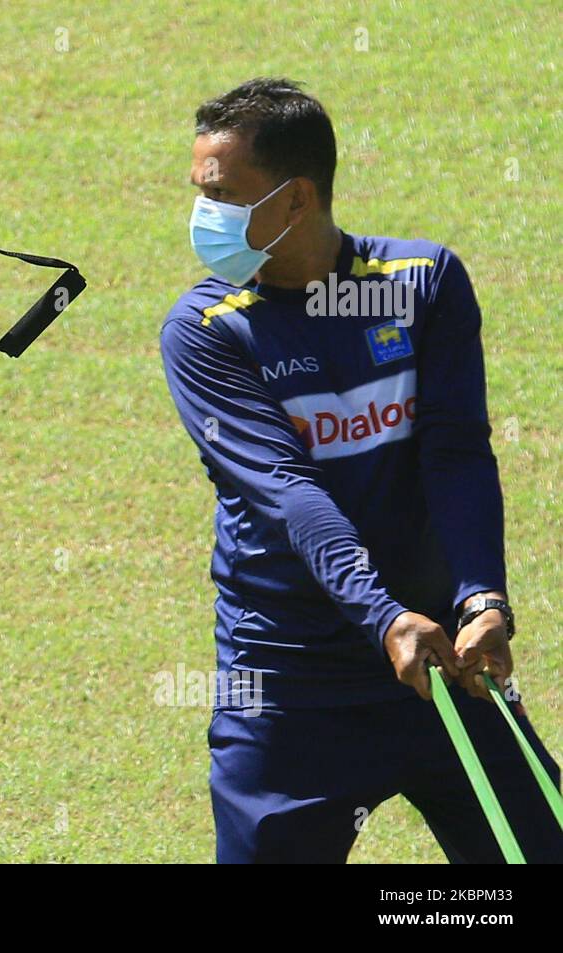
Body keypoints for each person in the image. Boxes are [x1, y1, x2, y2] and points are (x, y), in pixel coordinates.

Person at [159, 78, 562, 863]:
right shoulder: (206, 330)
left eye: (224, 194)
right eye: (200, 192)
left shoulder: (422, 283)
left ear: (296, 198)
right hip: (288, 687)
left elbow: (456, 451)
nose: (205, 215)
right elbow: (284, 487)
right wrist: (382, 615)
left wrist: (484, 598)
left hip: (440, 667)